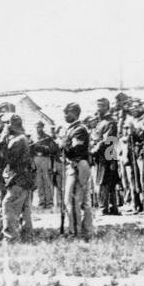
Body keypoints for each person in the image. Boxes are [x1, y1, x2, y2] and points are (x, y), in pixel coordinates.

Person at [0, 114, 36, 242]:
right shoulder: (21, 138)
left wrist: (2, 139)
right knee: (25, 209)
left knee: (8, 205)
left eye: (5, 124)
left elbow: (7, 158)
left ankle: (11, 238)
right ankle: (27, 237)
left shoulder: (17, 140)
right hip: (24, 177)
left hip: (17, 178)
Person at [61, 102, 93, 239]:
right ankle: (86, 232)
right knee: (83, 202)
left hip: (77, 165)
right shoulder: (74, 129)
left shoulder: (79, 130)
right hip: (78, 164)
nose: (65, 115)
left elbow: (75, 150)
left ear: (74, 113)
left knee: (72, 200)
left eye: (67, 113)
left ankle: (75, 233)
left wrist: (62, 145)